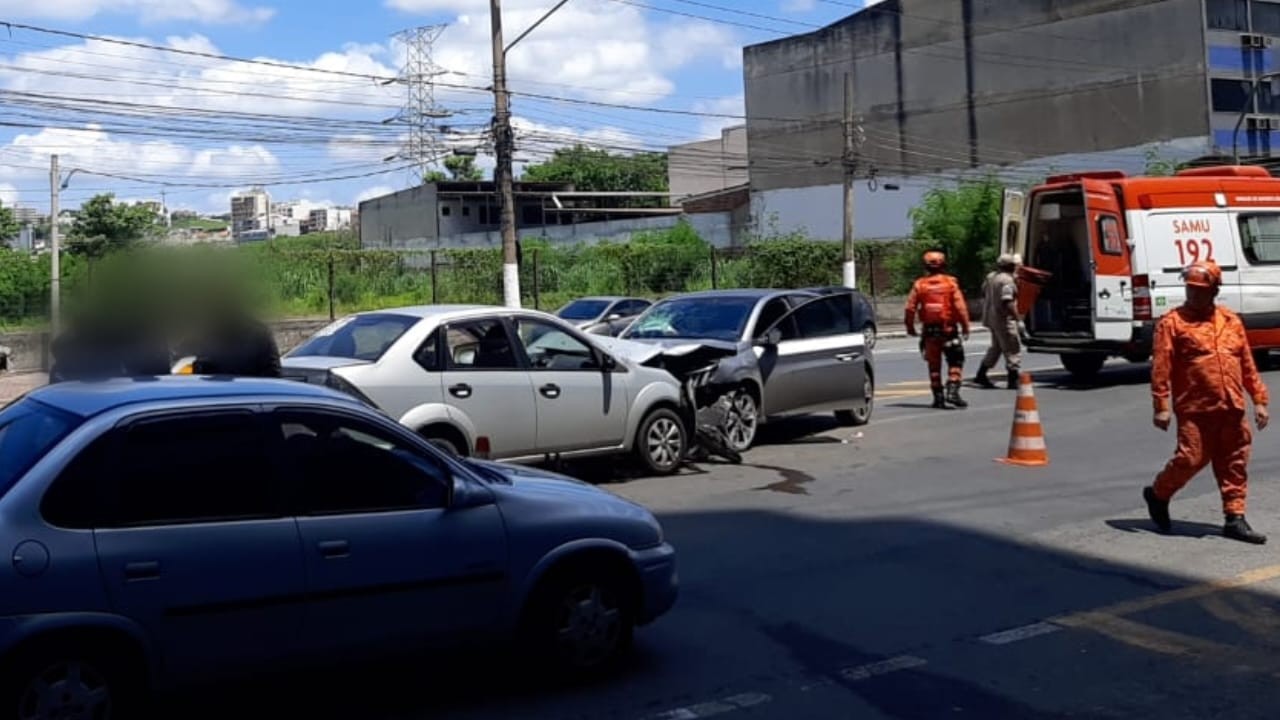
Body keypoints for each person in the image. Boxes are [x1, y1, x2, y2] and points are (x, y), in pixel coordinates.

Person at [1143, 260, 1270, 544]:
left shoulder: (1231, 321)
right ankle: (1158, 493)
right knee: (1189, 459)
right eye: (1190, 289)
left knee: (1234, 461)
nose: (1193, 295)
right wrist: (1161, 407)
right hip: (1195, 408)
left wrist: (1259, 400)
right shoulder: (1172, 323)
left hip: (1231, 407)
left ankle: (1234, 517)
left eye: (1200, 291)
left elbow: (1246, 364)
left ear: (1214, 291)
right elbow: (1161, 367)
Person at [905, 250, 971, 409]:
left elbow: (910, 308)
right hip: (949, 331)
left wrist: (910, 327)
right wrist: (966, 327)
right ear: (944, 265)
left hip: (929, 333)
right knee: (956, 361)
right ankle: (953, 391)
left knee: (934, 366)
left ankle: (938, 397)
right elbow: (960, 307)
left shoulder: (919, 284)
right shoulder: (950, 283)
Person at [975, 253, 1023, 390]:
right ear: (1010, 266)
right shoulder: (1007, 280)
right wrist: (1018, 319)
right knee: (1012, 347)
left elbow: (984, 291)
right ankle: (1013, 379)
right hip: (1003, 319)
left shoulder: (991, 277)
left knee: (996, 348)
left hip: (991, 318)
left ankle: (981, 374)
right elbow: (1007, 301)